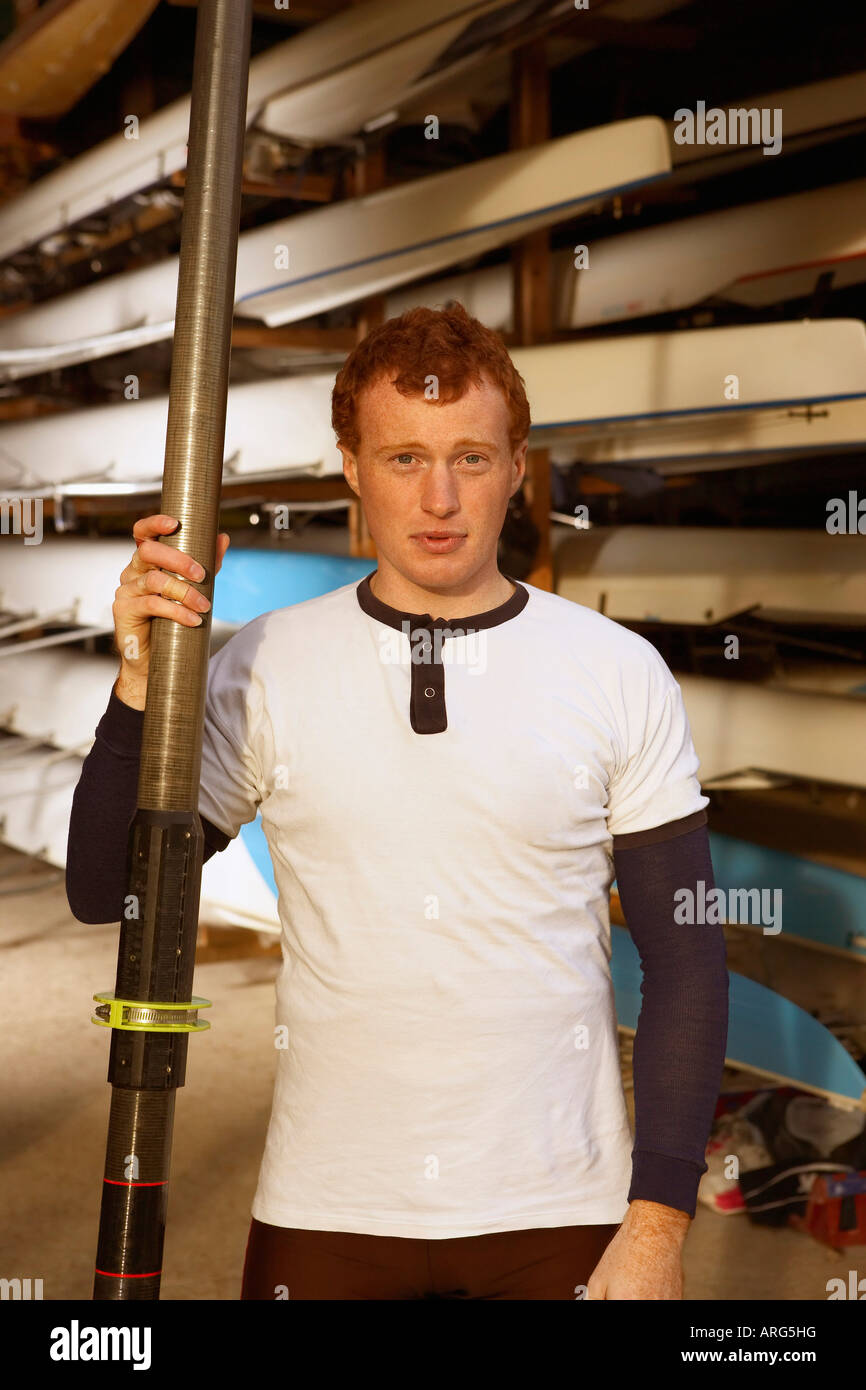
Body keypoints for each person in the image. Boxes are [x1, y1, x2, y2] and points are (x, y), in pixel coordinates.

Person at [67, 302, 729, 1300]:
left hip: (559, 1210)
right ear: (350, 465)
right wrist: (135, 695)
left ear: (515, 468)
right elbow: (103, 889)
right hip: (327, 1209)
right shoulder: (265, 666)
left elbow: (685, 960)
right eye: (402, 457)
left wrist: (657, 1223)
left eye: (469, 457)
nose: (438, 496)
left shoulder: (613, 671)